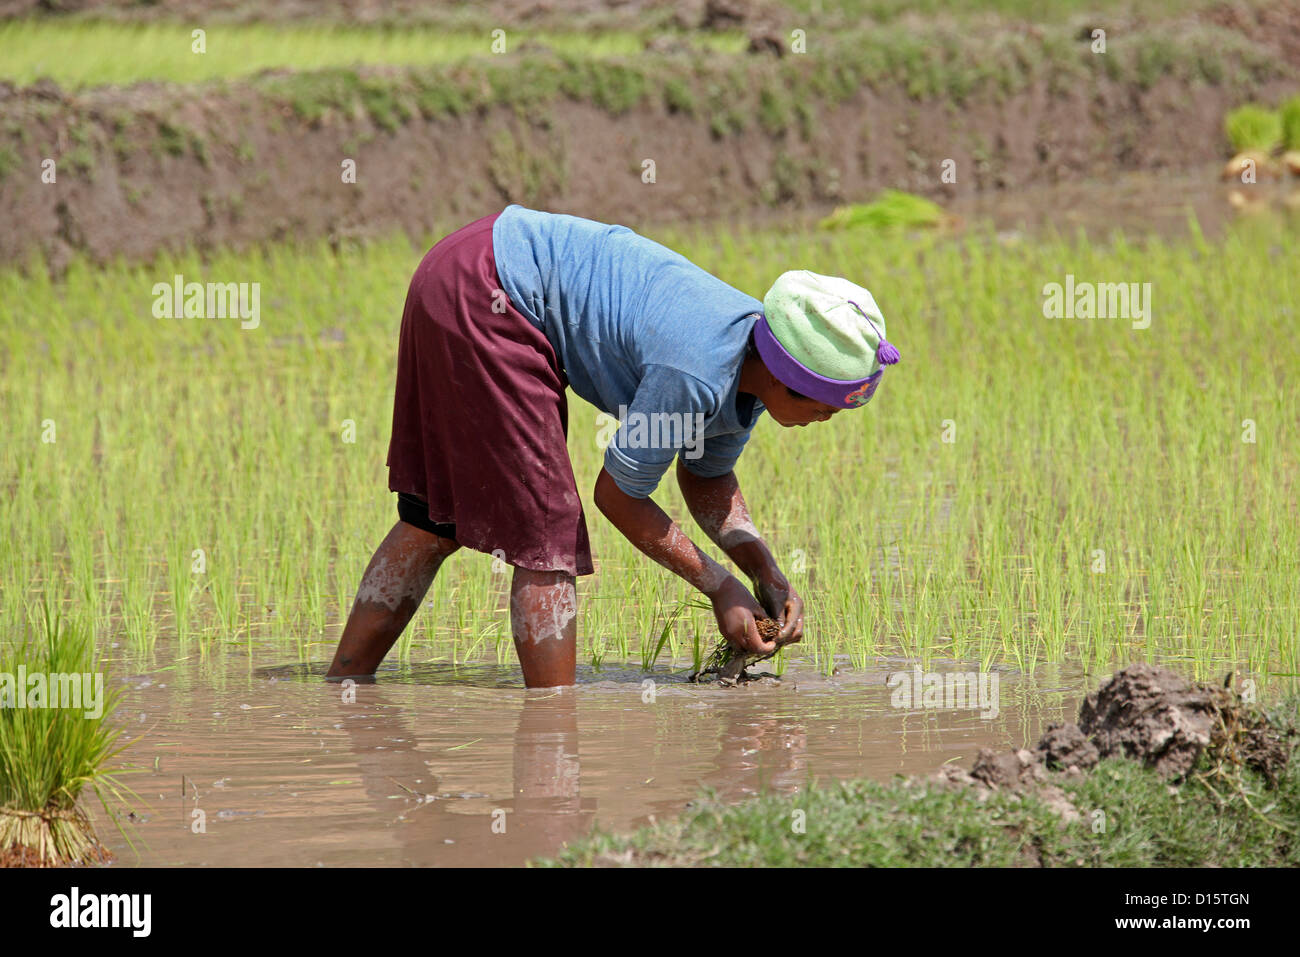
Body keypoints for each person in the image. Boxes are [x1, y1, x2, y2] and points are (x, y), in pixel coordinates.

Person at [326, 205, 898, 688]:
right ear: (782, 372)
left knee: (435, 519)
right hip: (490, 290)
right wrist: (718, 584)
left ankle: (345, 688)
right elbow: (618, 496)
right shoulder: (696, 370)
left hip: (467, 264)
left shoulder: (749, 368)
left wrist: (763, 572)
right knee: (548, 534)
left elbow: (706, 478)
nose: (826, 418)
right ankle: (553, 734)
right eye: (824, 403)